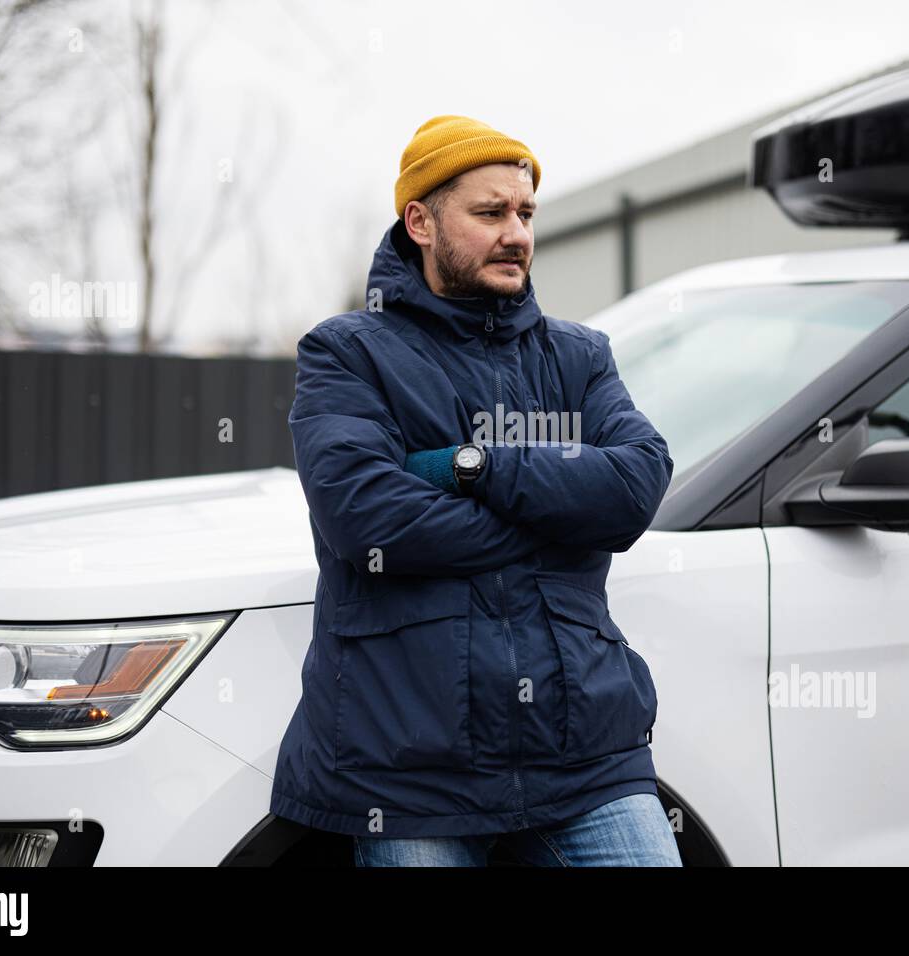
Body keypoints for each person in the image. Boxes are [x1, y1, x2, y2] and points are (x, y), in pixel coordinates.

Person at [269, 115, 678, 866]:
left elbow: (637, 482)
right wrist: (560, 518)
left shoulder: (580, 357)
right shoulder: (347, 355)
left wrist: (475, 467)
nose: (516, 234)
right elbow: (370, 521)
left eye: (525, 214)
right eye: (490, 213)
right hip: (408, 765)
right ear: (421, 221)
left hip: (585, 756)